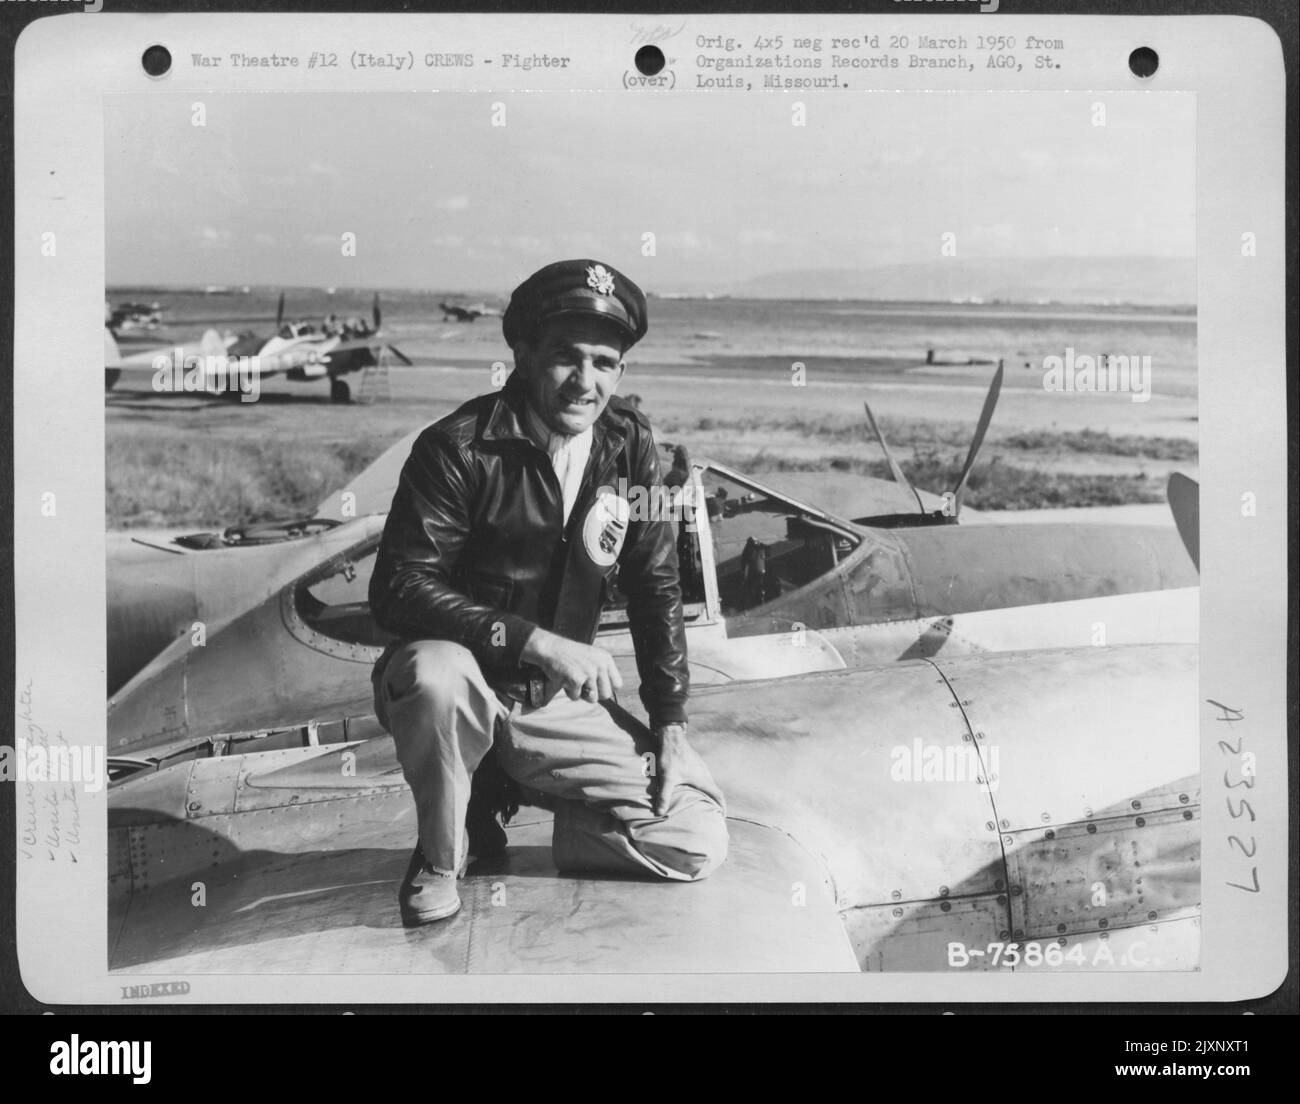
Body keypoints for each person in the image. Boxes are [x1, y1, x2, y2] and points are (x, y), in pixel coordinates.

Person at [368, 259, 728, 925]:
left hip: (549, 704)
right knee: (435, 676)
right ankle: (444, 855)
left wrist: (671, 722)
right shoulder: (456, 447)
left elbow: (656, 586)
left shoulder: (629, 447)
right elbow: (398, 589)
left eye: (604, 363)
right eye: (566, 357)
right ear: (524, 353)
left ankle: (545, 809)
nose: (585, 382)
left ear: (621, 372)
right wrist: (538, 642)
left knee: (694, 839)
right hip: (464, 685)